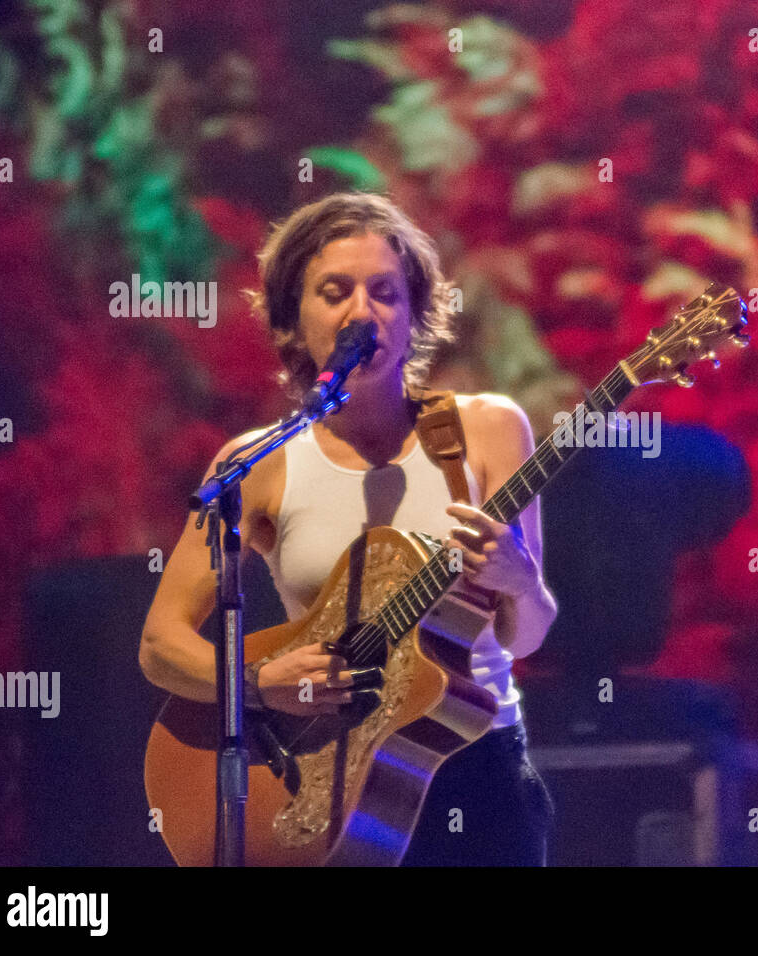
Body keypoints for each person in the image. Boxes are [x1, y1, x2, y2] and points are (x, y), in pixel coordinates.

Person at [139, 192, 558, 865]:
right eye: (335, 291)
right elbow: (161, 645)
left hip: (477, 780)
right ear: (291, 320)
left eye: (386, 292)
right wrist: (260, 680)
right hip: (329, 783)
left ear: (415, 313)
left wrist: (520, 580)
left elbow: (528, 629)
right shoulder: (257, 465)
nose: (363, 312)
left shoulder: (486, 429)